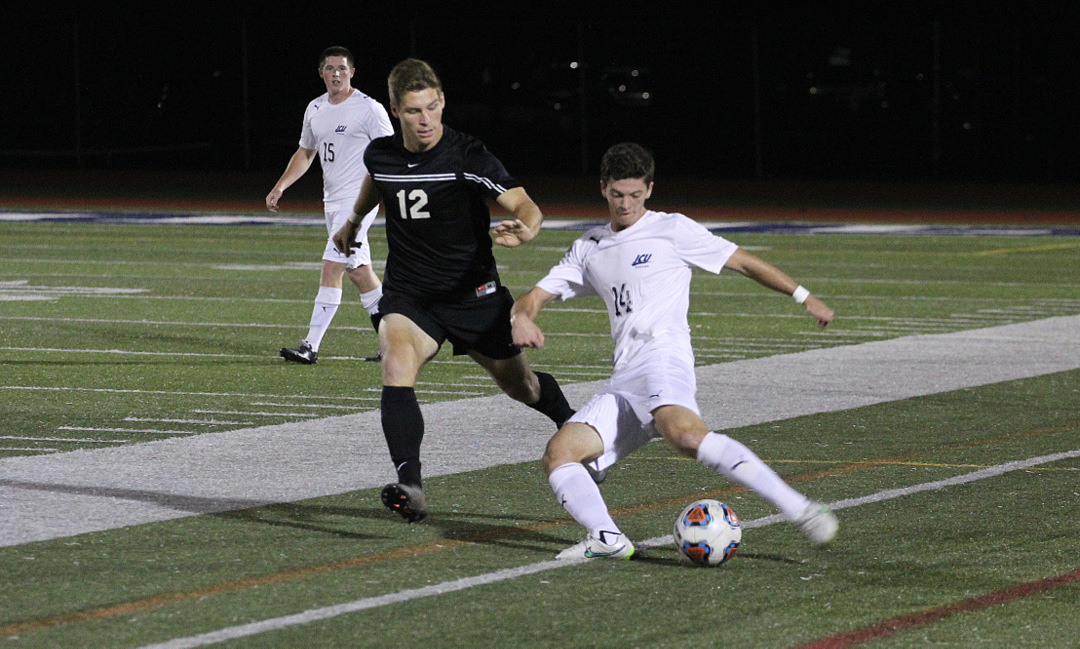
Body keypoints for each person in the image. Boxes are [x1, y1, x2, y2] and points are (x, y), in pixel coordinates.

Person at [510, 142, 839, 560]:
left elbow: (743, 262)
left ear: (649, 189)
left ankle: (802, 509)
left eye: (634, 194)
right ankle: (608, 539)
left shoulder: (672, 229)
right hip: (624, 378)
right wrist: (523, 316)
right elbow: (534, 296)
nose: (625, 204)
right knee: (560, 453)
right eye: (616, 194)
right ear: (603, 189)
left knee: (685, 435)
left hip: (662, 359)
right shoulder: (589, 247)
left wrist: (804, 296)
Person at [333, 58, 574, 523]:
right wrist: (352, 222)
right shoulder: (380, 154)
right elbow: (377, 181)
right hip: (410, 295)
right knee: (396, 362)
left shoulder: (467, 155)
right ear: (395, 111)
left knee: (521, 386)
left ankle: (570, 422)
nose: (425, 120)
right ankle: (411, 484)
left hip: (473, 297)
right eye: (412, 111)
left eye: (431, 107)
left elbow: (525, 203)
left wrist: (526, 229)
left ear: (442, 101)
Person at [267, 46, 393, 364]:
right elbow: (306, 152)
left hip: (358, 202)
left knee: (331, 267)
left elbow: (390, 152)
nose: (335, 73)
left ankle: (310, 345)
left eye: (341, 67)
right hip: (332, 202)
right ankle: (396, 341)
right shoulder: (315, 108)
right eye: (329, 68)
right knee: (360, 272)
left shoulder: (369, 108)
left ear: (352, 72)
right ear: (321, 73)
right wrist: (281, 185)